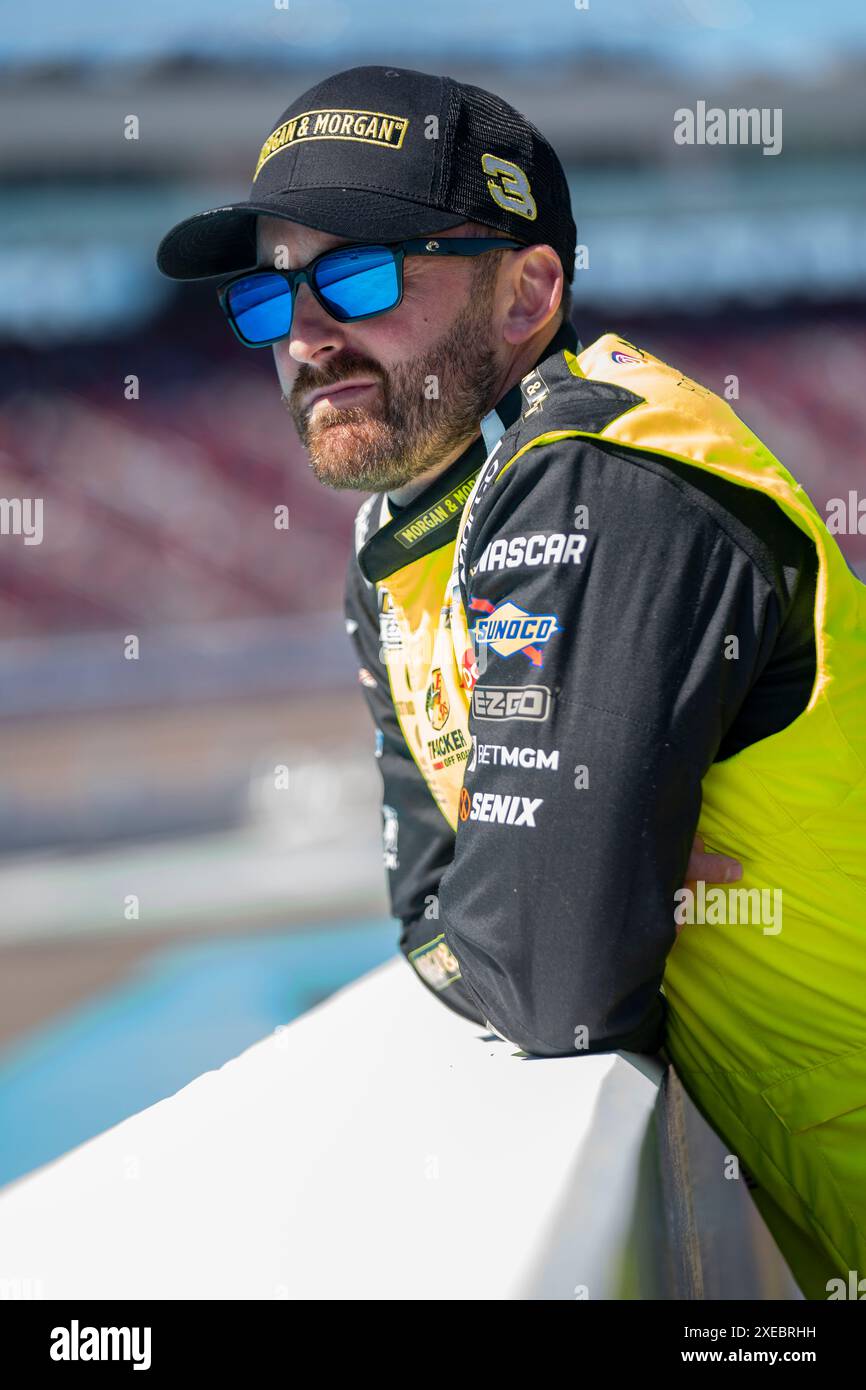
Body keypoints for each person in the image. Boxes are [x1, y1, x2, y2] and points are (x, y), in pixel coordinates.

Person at [158, 65, 866, 1301]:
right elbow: (436, 909)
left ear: (529, 288)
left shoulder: (605, 473)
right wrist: (560, 861)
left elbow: (549, 971)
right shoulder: (399, 549)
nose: (308, 337)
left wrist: (567, 876)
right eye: (269, 300)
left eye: (360, 277)